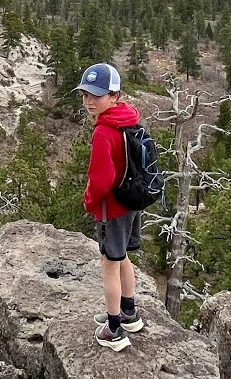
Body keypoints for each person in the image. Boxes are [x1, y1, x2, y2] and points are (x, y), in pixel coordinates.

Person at [77, 62, 144, 352]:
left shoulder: (104, 132)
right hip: (131, 203)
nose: (89, 101)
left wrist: (89, 202)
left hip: (112, 209)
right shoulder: (129, 119)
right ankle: (129, 313)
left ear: (114, 95)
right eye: (85, 94)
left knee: (109, 264)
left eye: (96, 95)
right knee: (122, 256)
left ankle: (113, 329)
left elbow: (101, 180)